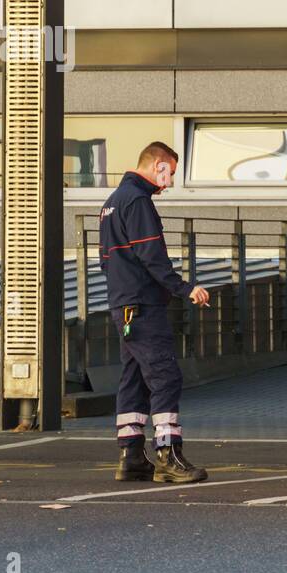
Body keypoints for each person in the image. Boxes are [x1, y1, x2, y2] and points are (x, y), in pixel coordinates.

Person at [98, 141, 211, 484]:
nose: (170, 181)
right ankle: (168, 454)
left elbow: (107, 260)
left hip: (123, 304)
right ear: (158, 165)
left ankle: (131, 456)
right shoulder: (138, 202)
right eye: (171, 172)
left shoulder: (111, 203)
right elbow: (152, 256)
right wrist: (184, 288)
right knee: (165, 376)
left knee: (133, 378)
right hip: (144, 305)